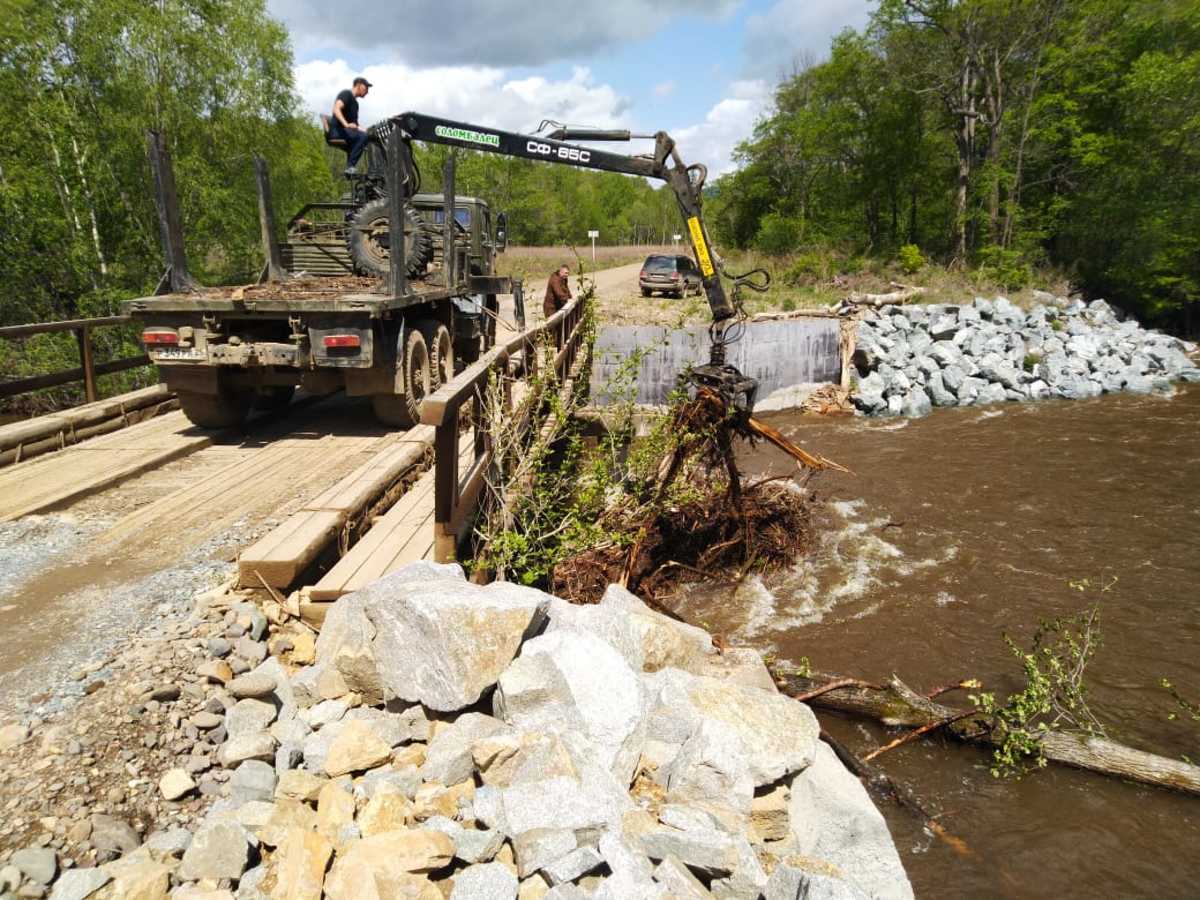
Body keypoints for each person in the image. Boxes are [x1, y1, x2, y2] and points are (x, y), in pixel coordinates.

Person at [330, 77, 373, 175]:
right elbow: (336, 109)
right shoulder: (346, 94)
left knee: (368, 137)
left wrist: (368, 130)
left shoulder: (356, 104)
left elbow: (355, 126)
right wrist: (346, 124)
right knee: (362, 137)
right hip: (337, 131)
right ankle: (350, 167)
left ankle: (354, 170)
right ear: (358, 85)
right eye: (366, 87)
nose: (367, 91)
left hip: (346, 132)